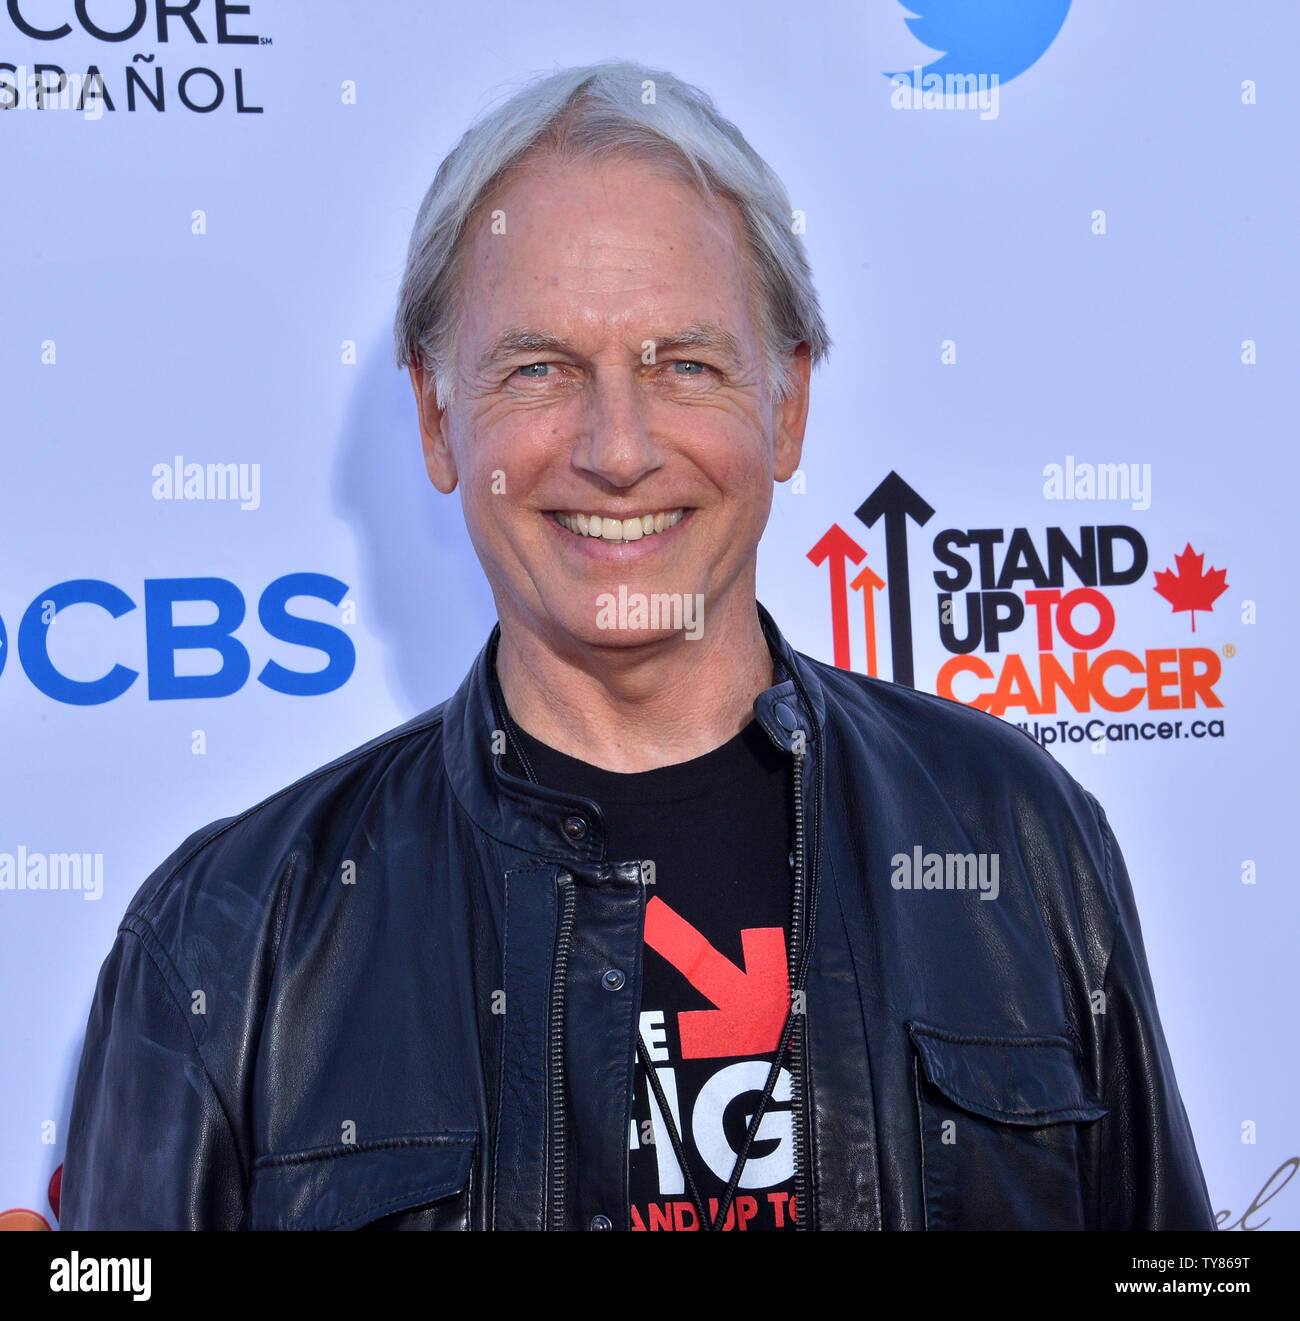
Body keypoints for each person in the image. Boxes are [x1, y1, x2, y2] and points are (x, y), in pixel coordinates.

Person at [60, 60, 1215, 1231]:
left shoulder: (1013, 831)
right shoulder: (231, 936)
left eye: (685, 365)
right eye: (539, 368)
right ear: (434, 414)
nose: (616, 447)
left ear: (787, 403)